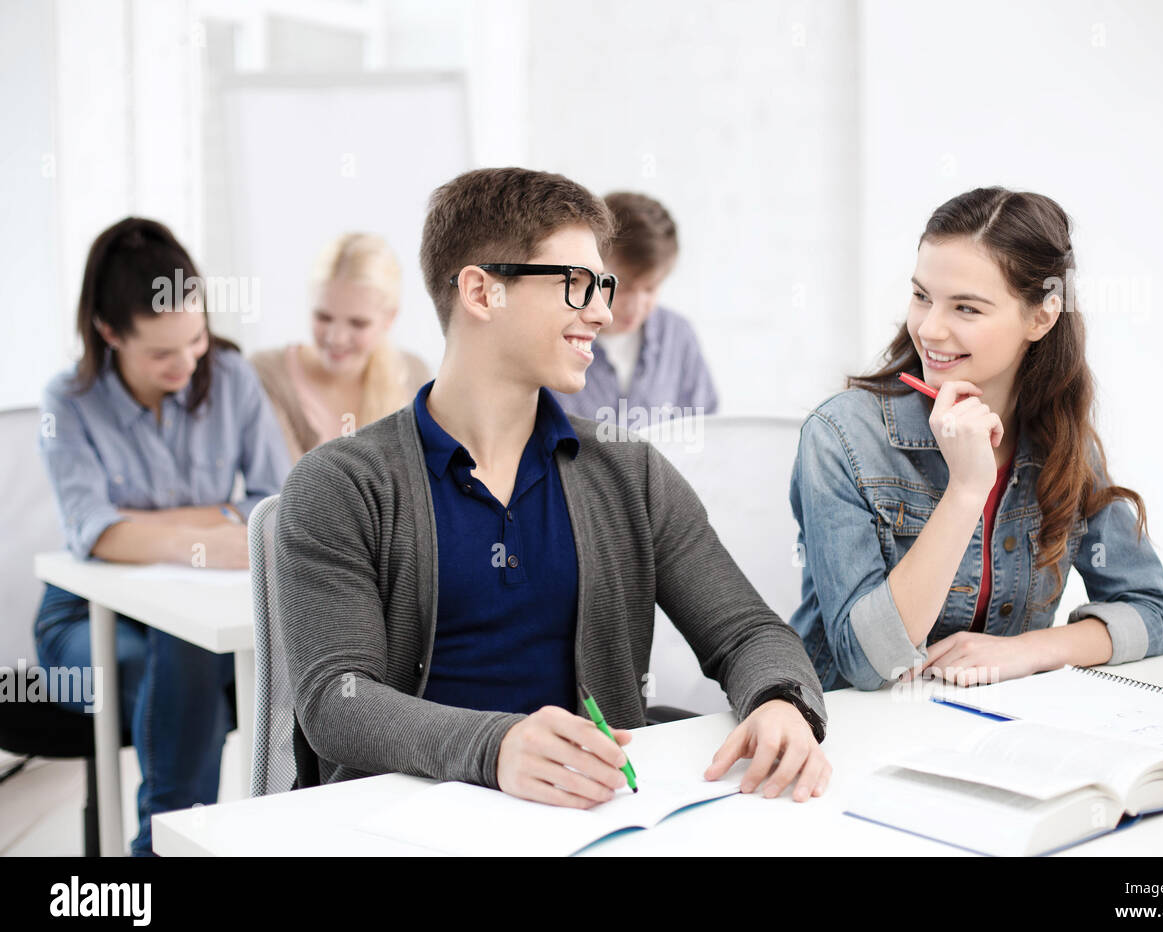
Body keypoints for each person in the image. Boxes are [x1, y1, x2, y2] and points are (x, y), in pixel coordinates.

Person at [275, 167, 830, 808]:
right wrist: (498, 746)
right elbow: (336, 701)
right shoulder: (341, 483)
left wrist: (780, 701)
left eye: (603, 286)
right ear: (482, 293)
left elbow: (746, 633)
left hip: (593, 816)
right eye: (575, 285)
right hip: (404, 821)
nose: (601, 311)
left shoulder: (629, 470)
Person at [789, 187, 1163, 691]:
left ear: (1041, 316)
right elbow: (868, 664)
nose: (929, 329)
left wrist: (1027, 651)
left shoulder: (1059, 439)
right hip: (850, 733)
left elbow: (1155, 612)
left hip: (992, 733)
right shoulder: (841, 436)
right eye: (921, 296)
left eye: (966, 309)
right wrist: (967, 489)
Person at [34, 217, 290, 855]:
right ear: (109, 332)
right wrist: (205, 529)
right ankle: (176, 843)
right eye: (160, 352)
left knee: (188, 653)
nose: (186, 363)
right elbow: (94, 533)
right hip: (85, 622)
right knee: (180, 660)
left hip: (194, 620)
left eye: (196, 338)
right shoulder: (67, 401)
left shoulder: (231, 378)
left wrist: (146, 530)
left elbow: (273, 506)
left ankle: (159, 849)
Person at [251, 233, 428, 464]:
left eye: (358, 323)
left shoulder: (413, 374)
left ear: (389, 318)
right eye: (323, 317)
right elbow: (283, 489)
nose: (336, 338)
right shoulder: (269, 373)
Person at [550, 191, 717, 429]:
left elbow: (704, 432)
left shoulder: (677, 336)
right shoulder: (555, 335)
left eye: (650, 289)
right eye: (623, 286)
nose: (636, 307)